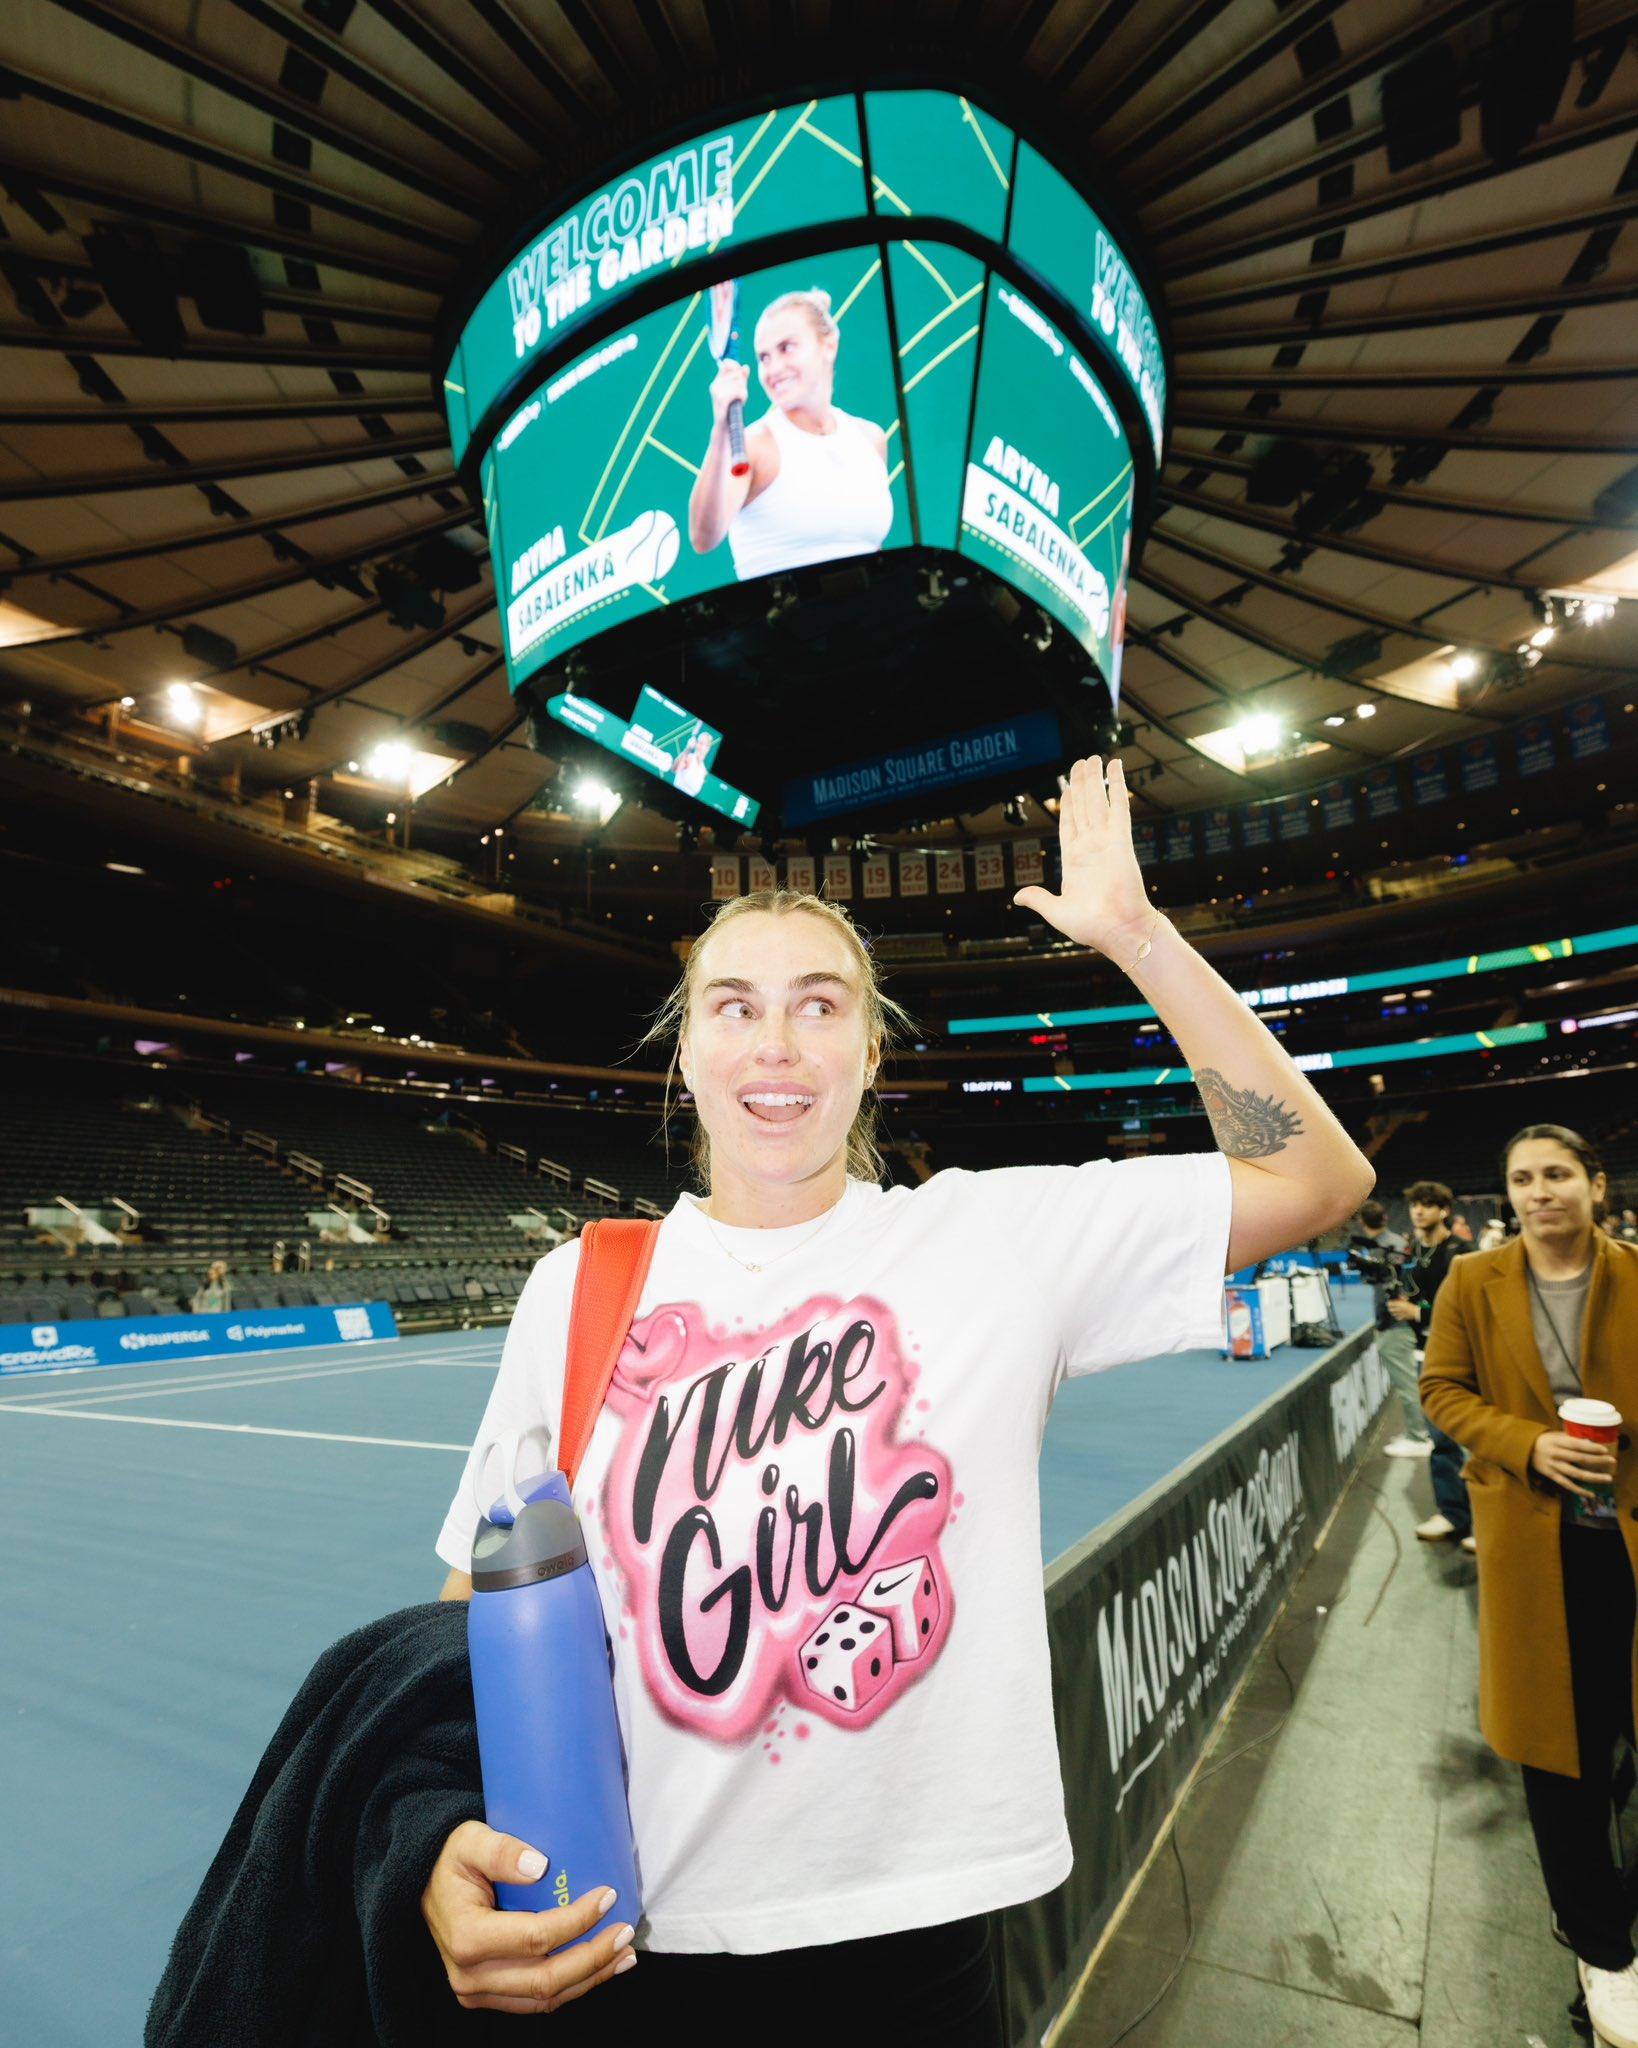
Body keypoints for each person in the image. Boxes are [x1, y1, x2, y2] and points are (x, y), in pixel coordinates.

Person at [422, 755, 1374, 2037]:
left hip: (920, 1944)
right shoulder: (579, 1289)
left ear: (869, 1051)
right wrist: (434, 1834)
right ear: (685, 1048)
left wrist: (1140, 938)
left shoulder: (991, 1239)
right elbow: (469, 1611)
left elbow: (1314, 1178)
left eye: (819, 1005)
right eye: (734, 1005)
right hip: (641, 1944)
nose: (774, 1041)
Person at [1422, 1124, 1638, 2048]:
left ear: (1594, 1184)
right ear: (1504, 1195)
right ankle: (1601, 1949)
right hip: (1535, 1550)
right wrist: (1527, 1443)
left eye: (1557, 1174)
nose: (1540, 1191)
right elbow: (1441, 1391)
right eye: (1522, 1178)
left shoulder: (1635, 1274)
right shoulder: (1473, 1282)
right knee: (1559, 1749)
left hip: (1629, 1539)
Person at [687, 286, 894, 583]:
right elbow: (703, 537)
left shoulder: (871, 438)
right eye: (763, 357)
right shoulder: (754, 446)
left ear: (828, 345)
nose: (774, 369)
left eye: (786, 348)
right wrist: (721, 432)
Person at [1389, 1181, 1470, 1549]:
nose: (1419, 1210)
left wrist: (1417, 1312)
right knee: (1441, 1440)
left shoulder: (1461, 1254)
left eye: (1427, 1204)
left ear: (1444, 1210)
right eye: (1414, 1205)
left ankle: (1485, 1522)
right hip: (1427, 1354)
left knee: (1476, 1443)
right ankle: (1453, 1514)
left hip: (1466, 1359)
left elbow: (1466, 1312)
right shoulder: (1416, 1251)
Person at [1353, 1200, 1427, 1458]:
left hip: (1395, 1323)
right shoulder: (1394, 1242)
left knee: (1407, 1385)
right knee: (1408, 1383)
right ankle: (1417, 1432)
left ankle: (1420, 1437)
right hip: (1395, 1321)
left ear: (1363, 1222)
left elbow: (1397, 1283)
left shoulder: (1389, 1247)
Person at [671, 729, 711, 796]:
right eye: (698, 742)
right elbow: (674, 769)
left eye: (701, 743)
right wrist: (688, 749)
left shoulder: (704, 772)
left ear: (707, 748)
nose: (698, 746)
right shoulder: (689, 758)